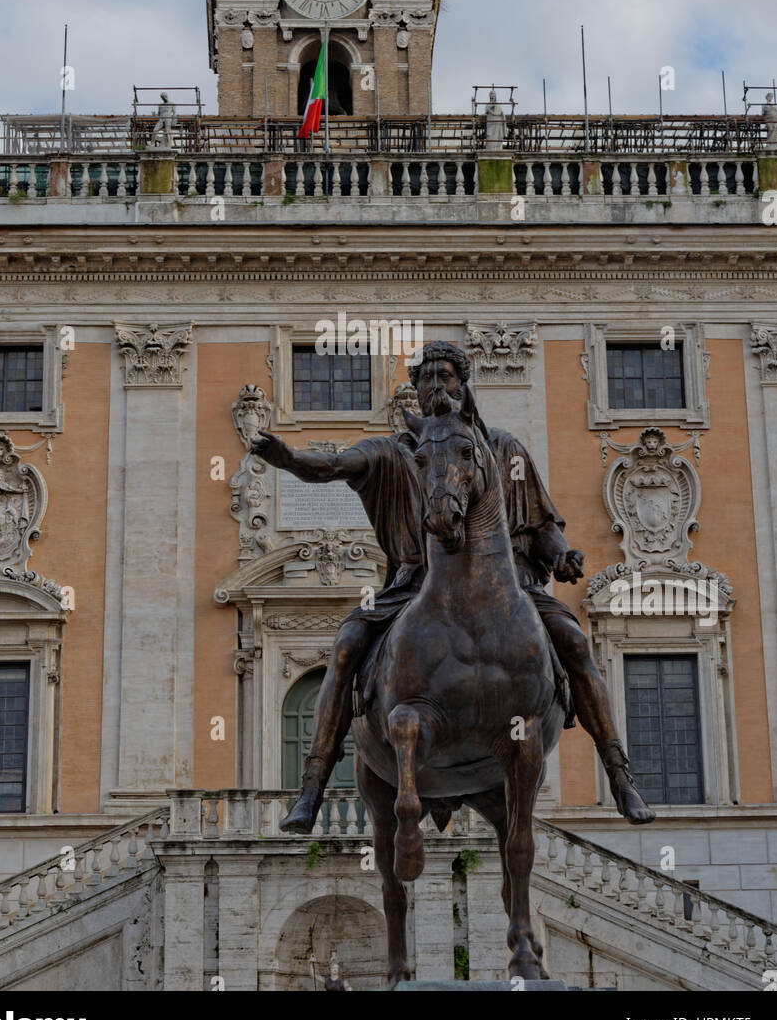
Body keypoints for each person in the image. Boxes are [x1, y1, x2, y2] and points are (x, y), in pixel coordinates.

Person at [251, 340, 654, 832]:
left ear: (462, 387)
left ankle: (619, 773)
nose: (437, 387)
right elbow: (333, 466)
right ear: (415, 393)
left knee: (573, 641)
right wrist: (289, 458)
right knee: (346, 646)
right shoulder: (395, 452)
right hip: (412, 589)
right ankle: (312, 787)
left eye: (446, 377)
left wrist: (561, 554)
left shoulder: (503, 450)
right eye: (427, 379)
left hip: (507, 589)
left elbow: (541, 523)